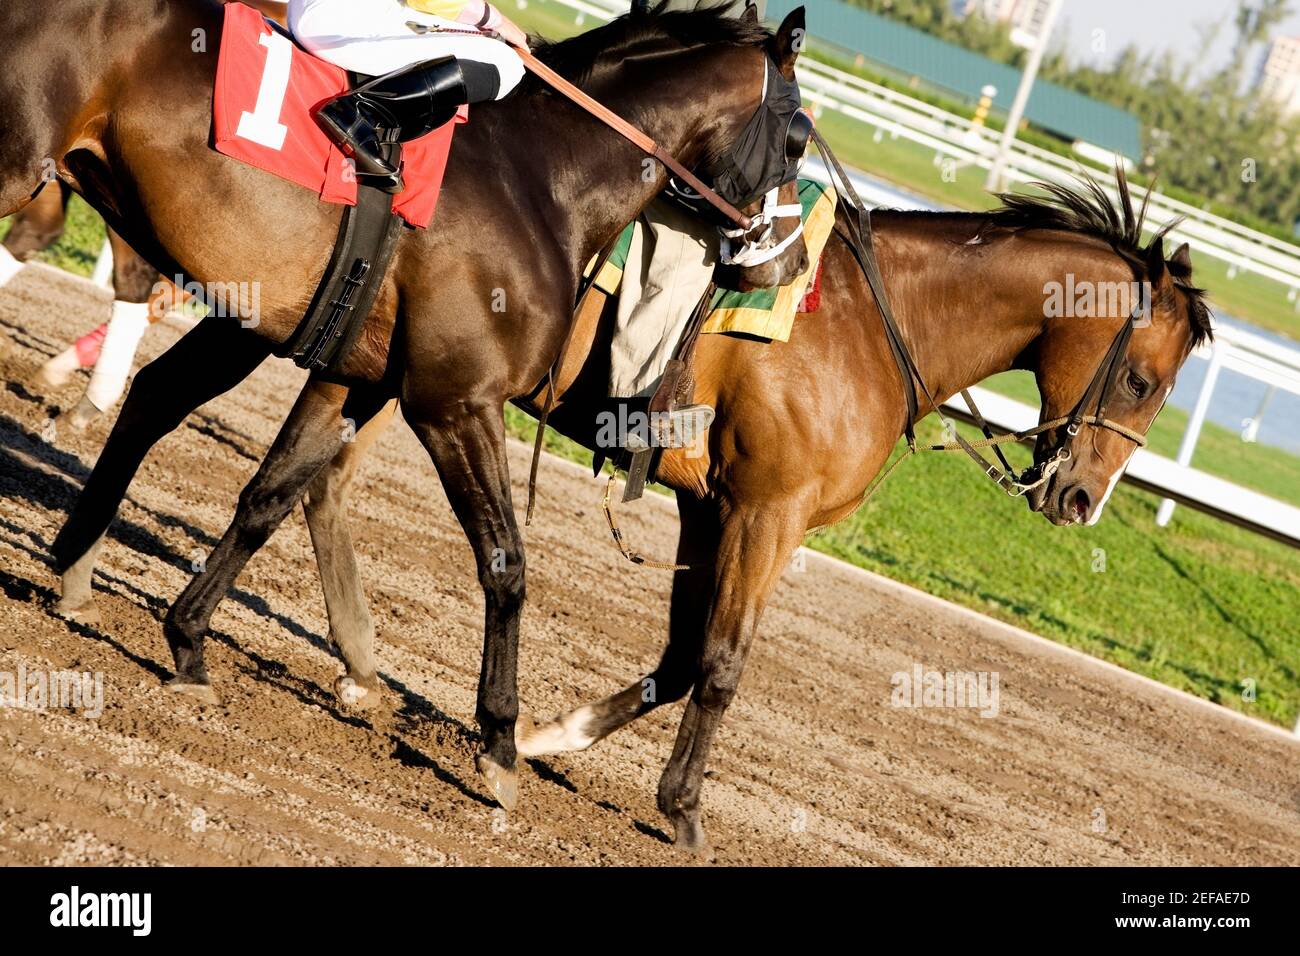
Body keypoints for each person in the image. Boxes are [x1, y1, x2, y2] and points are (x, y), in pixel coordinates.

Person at [287, 0, 530, 192]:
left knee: (472, 40)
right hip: (341, 17)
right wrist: (496, 21)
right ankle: (361, 112)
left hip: (328, 10)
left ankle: (387, 124)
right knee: (506, 62)